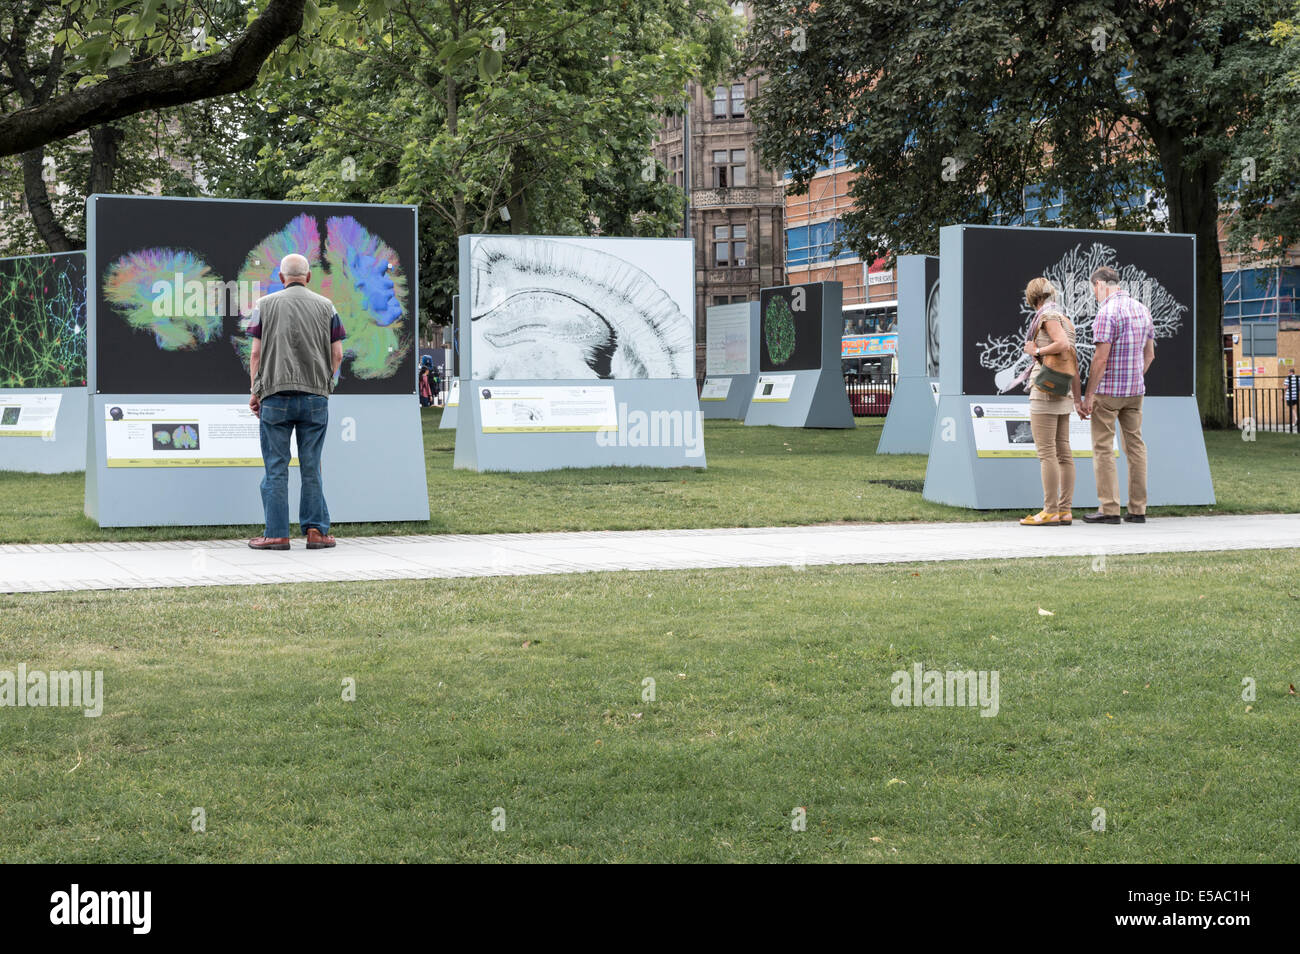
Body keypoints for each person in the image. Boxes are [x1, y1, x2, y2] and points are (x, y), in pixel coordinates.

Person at [246, 253, 345, 550]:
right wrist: (325, 383)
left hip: (275, 396)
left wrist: (255, 390)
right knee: (311, 466)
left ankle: (276, 534)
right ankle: (316, 532)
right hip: (315, 397)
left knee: (276, 467)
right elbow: (337, 353)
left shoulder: (264, 306)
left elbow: (255, 354)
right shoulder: (327, 307)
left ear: (280, 278)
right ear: (309, 277)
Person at [1081, 265, 1155, 524]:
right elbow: (1150, 355)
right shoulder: (1142, 309)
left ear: (1100, 285)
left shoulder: (1106, 313)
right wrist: (1136, 377)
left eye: (1094, 290)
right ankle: (1138, 509)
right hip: (1135, 392)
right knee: (1135, 448)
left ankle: (1109, 508)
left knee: (1103, 448)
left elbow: (1100, 359)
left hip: (1109, 392)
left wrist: (1088, 395)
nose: (1095, 295)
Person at [1018, 278, 1081, 527]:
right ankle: (1064, 510)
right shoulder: (1066, 319)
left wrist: (1036, 351)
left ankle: (1050, 510)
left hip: (1045, 388)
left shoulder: (1047, 316)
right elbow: (1072, 355)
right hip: (1063, 387)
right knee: (1063, 452)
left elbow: (1061, 345)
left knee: (1047, 453)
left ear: (1032, 296)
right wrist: (1077, 396)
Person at [1286, 367, 1298, 433]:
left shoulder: (1288, 378)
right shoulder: (1297, 378)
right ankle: (1294, 420)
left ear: (1290, 372)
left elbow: (1286, 387)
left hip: (1289, 395)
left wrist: (1283, 395)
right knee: (1293, 407)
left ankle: (1295, 419)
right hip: (1295, 395)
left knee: (1291, 408)